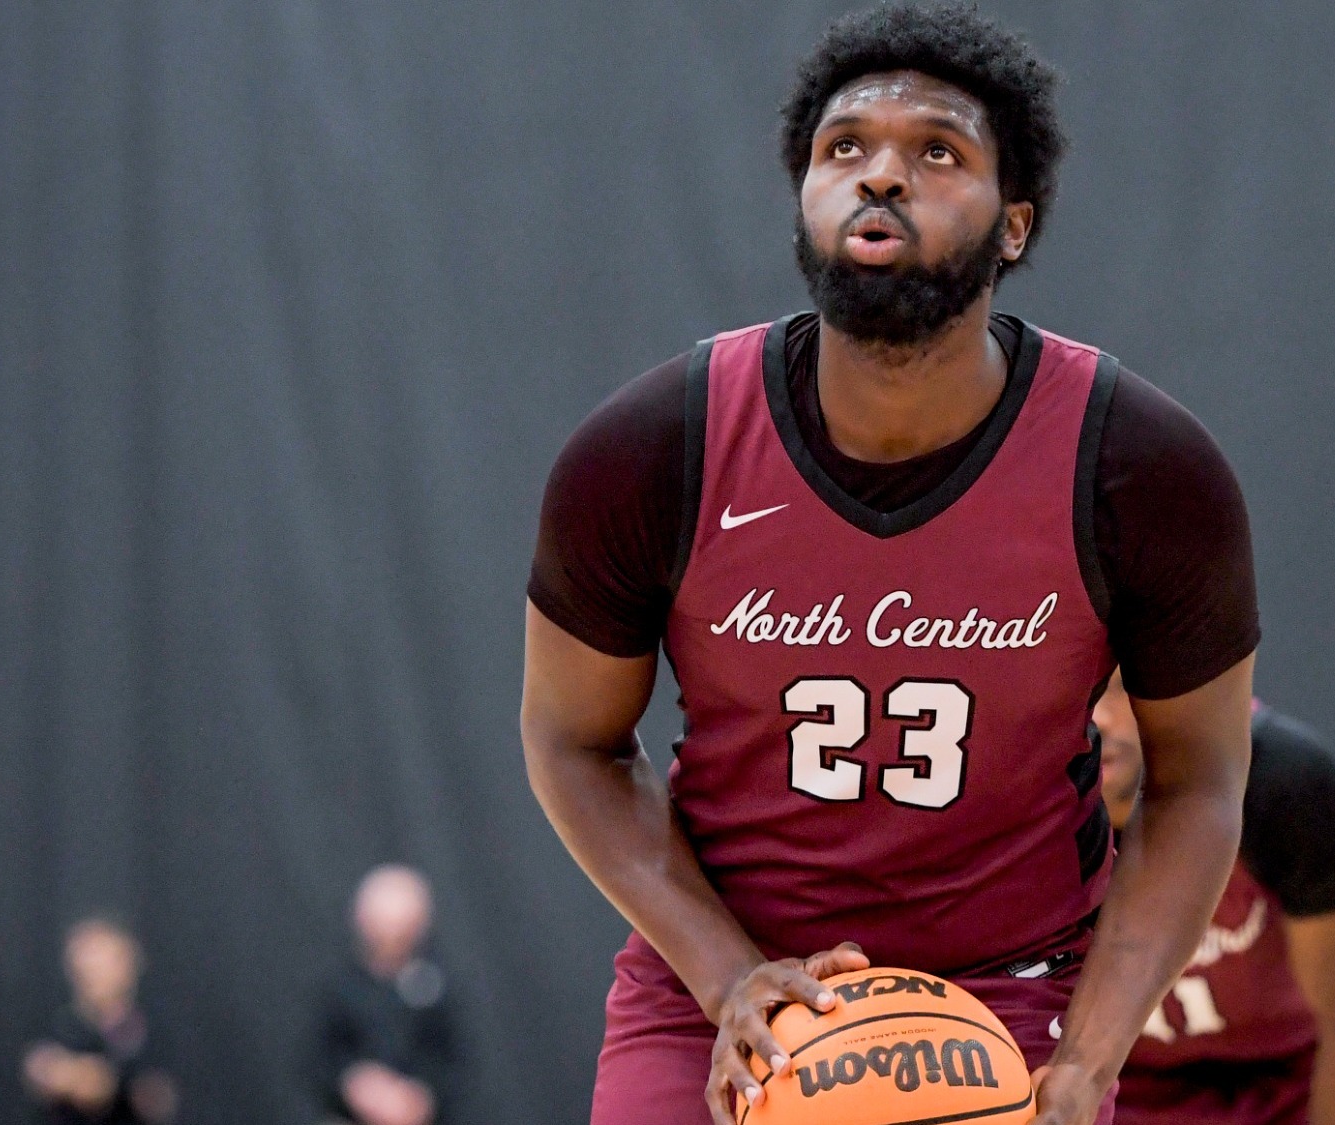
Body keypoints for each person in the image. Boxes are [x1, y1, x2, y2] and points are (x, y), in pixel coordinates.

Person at [520, 5, 1264, 1123]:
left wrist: (1092, 1058)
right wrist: (726, 979)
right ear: (801, 204)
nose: (879, 175)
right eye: (843, 149)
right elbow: (571, 742)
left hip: (1010, 1000)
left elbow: (1197, 782)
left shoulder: (1138, 467)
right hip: (722, 994)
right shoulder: (650, 450)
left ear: (1012, 227)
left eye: (936, 151)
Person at [1094, 672, 1335, 1125]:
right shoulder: (1021, 807)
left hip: (1292, 1095)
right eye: (1083, 687)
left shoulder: (1279, 782)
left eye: (1126, 686)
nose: (1099, 716)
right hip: (1118, 1100)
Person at [310, 866, 460, 1125]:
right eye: (384, 922)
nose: (392, 934)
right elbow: (316, 1062)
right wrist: (355, 1083)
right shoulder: (339, 990)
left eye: (401, 924)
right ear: (362, 919)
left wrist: (417, 1097)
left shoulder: (437, 989)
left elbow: (454, 1063)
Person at [22, 917, 176, 1125]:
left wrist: (104, 1084)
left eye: (102, 962)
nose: (93, 972)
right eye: (86, 963)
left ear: (128, 964)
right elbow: (40, 1068)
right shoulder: (59, 1023)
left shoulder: (153, 1026)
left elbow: (156, 1095)